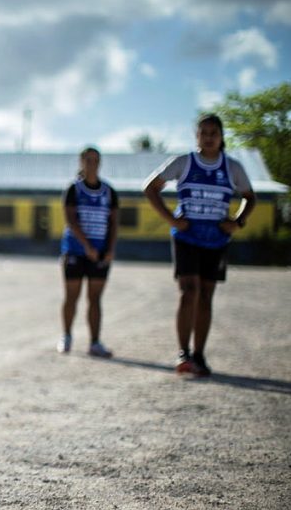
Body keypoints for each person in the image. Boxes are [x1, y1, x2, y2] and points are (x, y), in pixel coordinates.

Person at [142, 113, 256, 377]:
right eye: (203, 132)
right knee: (188, 291)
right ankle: (183, 353)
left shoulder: (232, 167)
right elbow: (150, 188)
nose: (208, 137)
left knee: (205, 295)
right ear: (196, 136)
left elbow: (250, 198)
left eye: (213, 133)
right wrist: (171, 218)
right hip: (187, 237)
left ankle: (199, 355)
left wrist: (237, 222)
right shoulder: (183, 163)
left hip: (216, 240)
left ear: (221, 136)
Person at [57, 146, 118, 358]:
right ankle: (66, 335)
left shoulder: (109, 191)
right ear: (81, 162)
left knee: (95, 298)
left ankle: (95, 342)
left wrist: (109, 249)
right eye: (88, 160)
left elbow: (113, 223)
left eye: (96, 160)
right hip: (75, 251)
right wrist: (86, 246)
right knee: (72, 296)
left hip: (100, 254)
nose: (92, 164)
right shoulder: (74, 190)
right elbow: (71, 220)